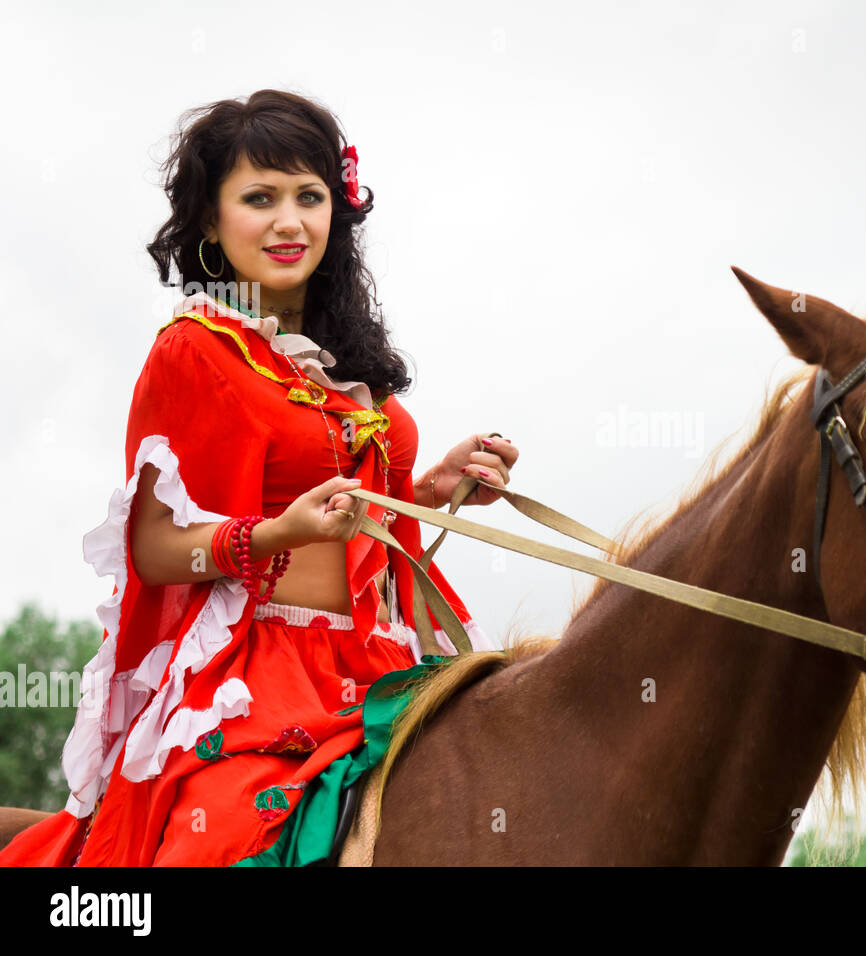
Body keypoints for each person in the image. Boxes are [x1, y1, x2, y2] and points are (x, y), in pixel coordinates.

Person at [0, 89, 518, 866]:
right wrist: (276, 536)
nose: (289, 221)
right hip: (254, 680)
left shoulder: (355, 369)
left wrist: (433, 488)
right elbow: (152, 548)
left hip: (384, 667)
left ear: (335, 213)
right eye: (259, 198)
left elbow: (351, 520)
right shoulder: (193, 350)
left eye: (309, 197)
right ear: (210, 221)